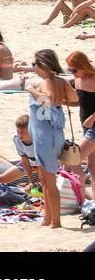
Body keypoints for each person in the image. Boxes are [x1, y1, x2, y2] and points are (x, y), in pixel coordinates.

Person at [26, 48, 78, 229]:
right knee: (45, 178)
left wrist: (32, 89)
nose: (34, 67)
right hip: (55, 133)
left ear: (43, 65)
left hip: (44, 135)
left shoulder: (46, 81)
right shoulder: (61, 81)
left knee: (49, 181)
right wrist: (60, 95)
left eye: (35, 64)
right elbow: (74, 97)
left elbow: (46, 100)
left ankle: (55, 221)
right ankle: (47, 218)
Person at [66, 51, 95, 183]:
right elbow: (81, 102)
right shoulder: (78, 79)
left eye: (74, 70)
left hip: (93, 126)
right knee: (92, 166)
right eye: (69, 70)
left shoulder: (93, 80)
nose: (72, 73)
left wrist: (93, 118)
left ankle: (80, 195)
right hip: (86, 125)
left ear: (83, 66)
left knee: (72, 161)